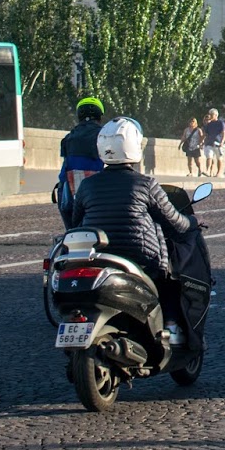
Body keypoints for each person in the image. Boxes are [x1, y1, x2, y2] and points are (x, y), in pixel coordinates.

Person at [66, 117, 193, 312]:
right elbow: (174, 223)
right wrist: (191, 222)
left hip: (99, 257)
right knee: (171, 285)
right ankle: (172, 329)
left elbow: (76, 223)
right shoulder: (145, 184)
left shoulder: (87, 185)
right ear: (135, 146)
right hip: (141, 259)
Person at [56, 97, 107, 226]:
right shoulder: (105, 136)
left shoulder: (68, 139)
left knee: (72, 230)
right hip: (97, 196)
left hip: (71, 196)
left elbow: (65, 172)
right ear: (99, 116)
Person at [200, 109, 224, 177]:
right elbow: (205, 134)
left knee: (219, 158)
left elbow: (223, 133)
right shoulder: (209, 124)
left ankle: (219, 172)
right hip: (209, 143)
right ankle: (208, 170)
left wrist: (222, 142)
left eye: (212, 114)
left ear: (216, 115)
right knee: (209, 156)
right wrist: (201, 142)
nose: (210, 116)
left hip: (218, 143)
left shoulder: (220, 123)